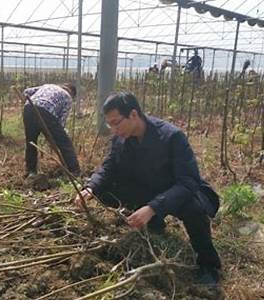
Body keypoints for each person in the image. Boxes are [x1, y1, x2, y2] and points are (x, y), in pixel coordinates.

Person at [74, 92, 221, 285]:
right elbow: (109, 166)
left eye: (117, 122)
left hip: (176, 191)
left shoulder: (171, 136)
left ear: (133, 114)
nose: (114, 129)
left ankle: (208, 265)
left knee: (193, 208)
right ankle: (155, 224)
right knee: (103, 190)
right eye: (110, 124)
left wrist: (153, 207)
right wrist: (91, 188)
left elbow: (188, 182)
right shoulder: (121, 138)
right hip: (146, 186)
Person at [22, 83, 81, 177]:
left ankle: (31, 171)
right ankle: (74, 171)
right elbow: (61, 122)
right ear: (72, 94)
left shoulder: (47, 85)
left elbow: (26, 92)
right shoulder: (68, 97)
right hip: (47, 111)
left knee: (31, 142)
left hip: (29, 108)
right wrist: (56, 135)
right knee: (65, 143)